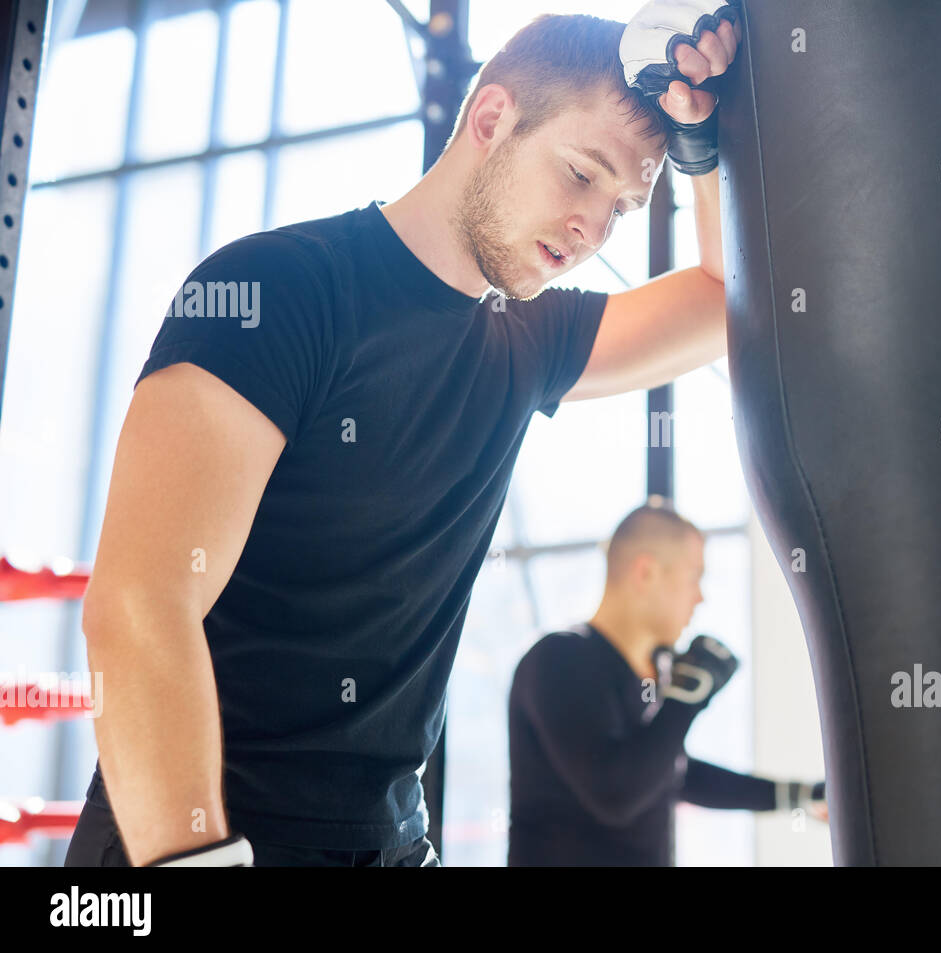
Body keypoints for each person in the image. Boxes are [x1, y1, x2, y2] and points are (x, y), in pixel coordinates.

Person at [66, 4, 743, 866]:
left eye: (621, 207)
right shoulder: (277, 289)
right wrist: (199, 860)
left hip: (389, 843)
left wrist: (700, 135)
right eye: (581, 174)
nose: (592, 230)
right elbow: (138, 606)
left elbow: (728, 299)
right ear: (491, 119)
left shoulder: (527, 341)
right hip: (195, 840)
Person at [508, 502, 827, 866]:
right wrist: (686, 698)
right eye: (694, 577)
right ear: (646, 573)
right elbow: (615, 793)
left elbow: (667, 773)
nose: (699, 597)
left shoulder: (654, 673)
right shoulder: (559, 658)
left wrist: (801, 796)